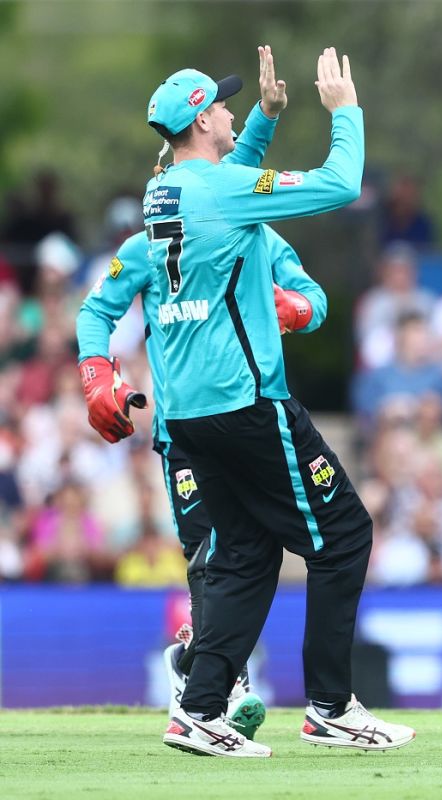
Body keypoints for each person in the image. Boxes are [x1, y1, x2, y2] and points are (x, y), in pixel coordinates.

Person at [135, 46, 412, 757]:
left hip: (188, 413)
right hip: (244, 400)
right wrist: (343, 109)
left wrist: (264, 116)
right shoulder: (219, 189)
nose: (231, 109)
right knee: (344, 535)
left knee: (249, 556)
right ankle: (330, 707)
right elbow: (340, 183)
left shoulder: (163, 191)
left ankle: (198, 709)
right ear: (201, 122)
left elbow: (229, 178)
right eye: (222, 103)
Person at [78, 219, 327, 742]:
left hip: (250, 420)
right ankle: (219, 685)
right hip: (184, 426)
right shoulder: (149, 243)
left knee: (251, 549)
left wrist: (298, 309)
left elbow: (313, 295)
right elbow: (96, 309)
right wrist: (96, 371)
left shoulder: (257, 233)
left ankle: (194, 665)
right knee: (208, 548)